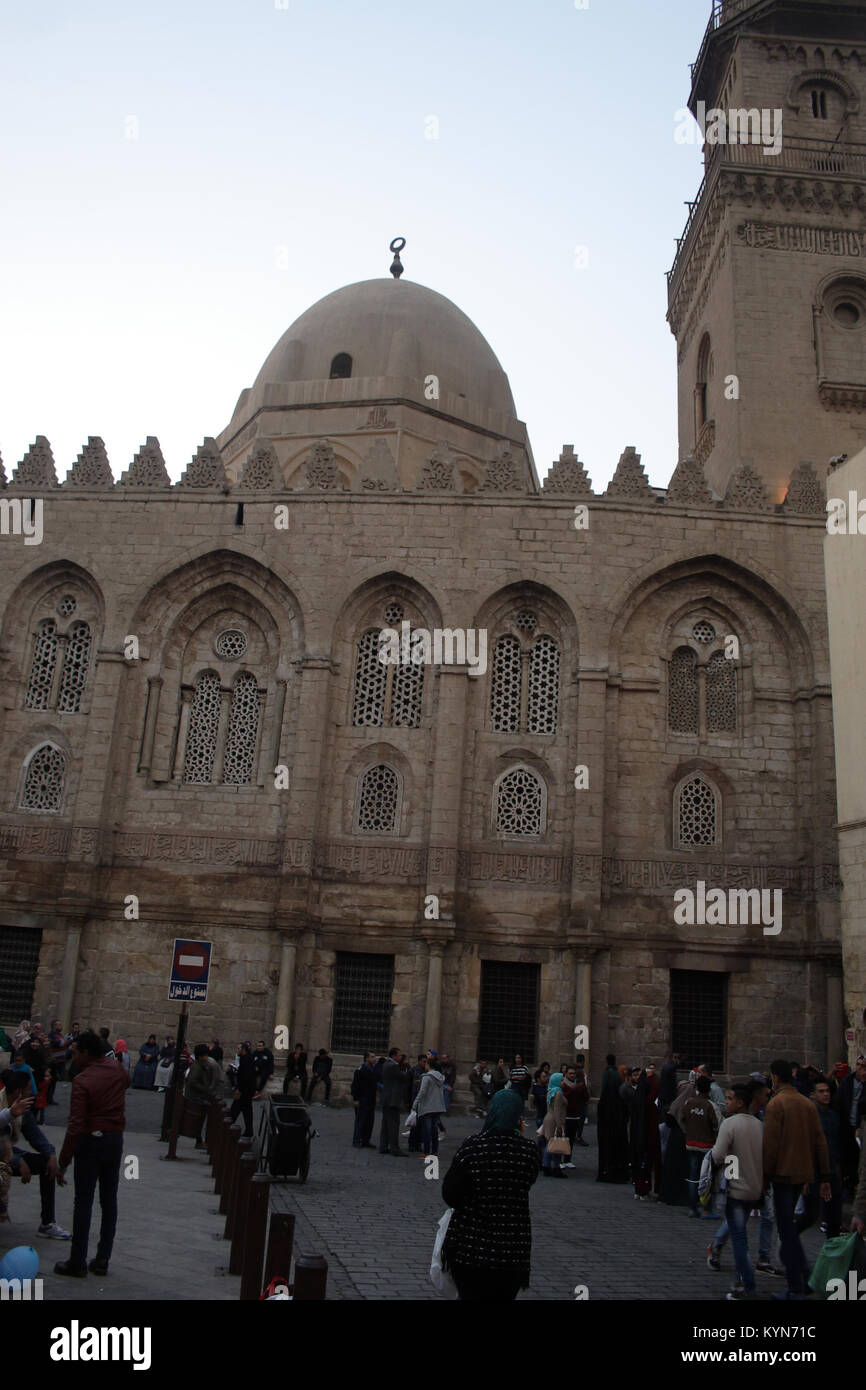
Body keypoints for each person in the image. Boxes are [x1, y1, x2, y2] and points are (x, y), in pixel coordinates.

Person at [441, 1089, 540, 1300]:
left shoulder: (473, 1146)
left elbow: (450, 1193)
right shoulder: (528, 1150)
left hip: (472, 1246)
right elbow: (529, 1181)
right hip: (513, 1249)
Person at [54, 1029, 129, 1277]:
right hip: (114, 1139)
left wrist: (63, 1161)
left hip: (90, 1142)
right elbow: (126, 1082)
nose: (72, 1057)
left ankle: (78, 1261)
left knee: (83, 1201)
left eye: (75, 1053)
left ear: (86, 1053)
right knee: (110, 1200)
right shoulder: (117, 1070)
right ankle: (103, 1258)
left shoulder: (82, 1081)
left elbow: (76, 1124)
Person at [763, 1058, 831, 1300]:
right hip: (804, 1173)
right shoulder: (807, 1104)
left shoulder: (776, 1104)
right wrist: (824, 1175)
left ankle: (795, 1286)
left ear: (776, 1077)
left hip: (783, 1175)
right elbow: (820, 1143)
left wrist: (764, 1176)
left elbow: (770, 1146)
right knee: (790, 1229)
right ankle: (804, 1272)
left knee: (786, 1231)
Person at [707, 1083, 764, 1300]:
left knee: (740, 1241)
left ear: (740, 1102)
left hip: (735, 1190)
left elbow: (718, 1155)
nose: (726, 1102)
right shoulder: (759, 1125)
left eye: (730, 1098)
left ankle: (746, 1285)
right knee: (737, 1230)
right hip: (754, 1189)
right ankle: (720, 1253)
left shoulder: (730, 1124)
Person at [0, 1069, 70, 1239]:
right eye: (29, 1089)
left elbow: (35, 1136)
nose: (33, 1092)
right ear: (18, 1092)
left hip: (7, 1154)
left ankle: (47, 1223)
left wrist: (51, 1154)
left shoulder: (24, 1109)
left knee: (46, 1164)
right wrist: (17, 1161)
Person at [795, 1075, 842, 1239]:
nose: (826, 1094)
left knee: (834, 1217)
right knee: (811, 1214)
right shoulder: (809, 1117)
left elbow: (835, 1145)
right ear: (813, 1095)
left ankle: (832, 1254)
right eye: (821, 1091)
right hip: (813, 1172)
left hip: (831, 1172)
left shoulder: (833, 1117)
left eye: (827, 1091)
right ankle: (789, 1236)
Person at [682, 1075, 720, 1217]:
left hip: (691, 1144)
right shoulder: (710, 1106)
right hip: (706, 1146)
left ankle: (692, 1208)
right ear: (708, 1089)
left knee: (693, 1176)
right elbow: (717, 1126)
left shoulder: (689, 1103)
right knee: (707, 1178)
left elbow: (682, 1119)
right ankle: (706, 1209)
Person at [835, 1054, 866, 1195]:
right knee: (846, 1157)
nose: (860, 1068)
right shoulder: (848, 1081)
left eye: (863, 1065)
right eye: (858, 1064)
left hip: (860, 1127)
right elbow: (840, 1103)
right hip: (847, 1126)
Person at [629, 1065, 662, 1199]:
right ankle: (644, 1189)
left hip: (638, 1136)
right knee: (646, 1163)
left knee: (640, 1163)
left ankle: (639, 1188)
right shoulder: (650, 1102)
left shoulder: (638, 1097)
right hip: (647, 1136)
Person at [597, 1062, 630, 1183]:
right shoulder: (619, 1098)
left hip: (605, 1133)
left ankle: (606, 1171)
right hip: (618, 1132)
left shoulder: (604, 1099)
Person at [185, 1043, 223, 1148]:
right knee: (202, 1117)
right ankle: (202, 1140)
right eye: (205, 1055)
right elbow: (192, 1081)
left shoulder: (201, 1065)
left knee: (201, 1118)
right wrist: (205, 1090)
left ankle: (200, 1139)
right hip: (196, 1097)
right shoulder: (198, 1067)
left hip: (197, 1095)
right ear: (201, 1056)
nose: (207, 1057)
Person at [414, 1054, 446, 1158]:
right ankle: (435, 1151)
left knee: (427, 1130)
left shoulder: (426, 1077)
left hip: (428, 1106)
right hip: (437, 1106)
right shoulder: (440, 1077)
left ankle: (426, 1151)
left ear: (428, 1065)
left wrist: (415, 1103)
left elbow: (422, 1092)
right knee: (434, 1130)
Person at [378, 1047, 407, 1157]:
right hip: (392, 1099)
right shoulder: (393, 1066)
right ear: (394, 1056)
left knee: (385, 1124)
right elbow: (403, 1077)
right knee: (393, 1124)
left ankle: (383, 1146)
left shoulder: (386, 1064)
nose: (400, 1057)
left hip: (386, 1098)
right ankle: (395, 1148)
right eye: (399, 1055)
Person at [540, 1070, 569, 1178]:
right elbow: (557, 1110)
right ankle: (555, 1167)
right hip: (554, 1120)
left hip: (548, 1117)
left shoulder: (550, 1091)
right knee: (555, 1144)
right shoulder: (558, 1093)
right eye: (561, 1080)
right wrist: (559, 1125)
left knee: (550, 1144)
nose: (563, 1082)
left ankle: (547, 1166)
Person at [230, 1042, 256, 1138]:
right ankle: (249, 1131)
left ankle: (227, 1128)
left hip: (245, 1091)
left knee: (235, 1110)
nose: (237, 1050)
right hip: (247, 1090)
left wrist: (239, 1090)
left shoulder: (246, 1060)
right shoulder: (246, 1058)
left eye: (238, 1048)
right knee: (246, 1111)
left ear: (243, 1049)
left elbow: (246, 1077)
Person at [351, 1053, 377, 1148]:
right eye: (372, 1057)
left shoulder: (373, 1069)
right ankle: (356, 1140)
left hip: (371, 1099)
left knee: (369, 1121)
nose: (375, 1059)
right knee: (360, 1120)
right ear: (366, 1059)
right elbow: (355, 1085)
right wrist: (356, 1099)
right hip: (363, 1098)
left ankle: (366, 1140)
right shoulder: (361, 1070)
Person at [531, 1063, 550, 1129]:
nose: (546, 1078)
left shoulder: (546, 1087)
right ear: (538, 1079)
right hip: (541, 1117)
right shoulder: (536, 1088)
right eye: (544, 1077)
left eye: (546, 1076)